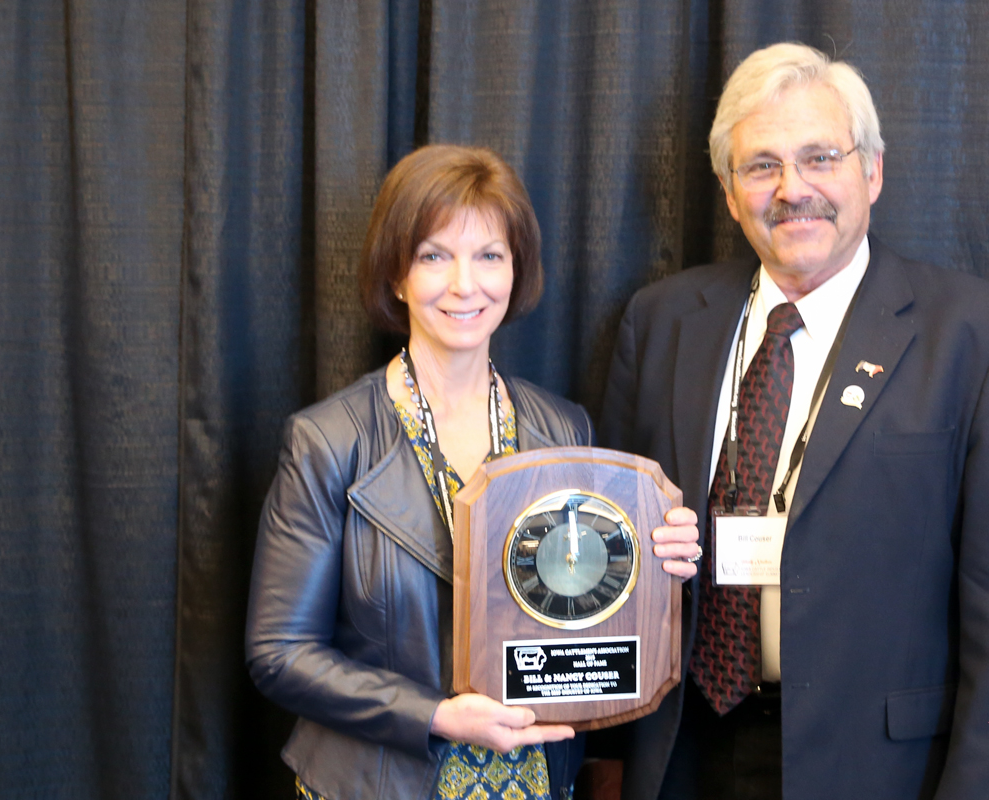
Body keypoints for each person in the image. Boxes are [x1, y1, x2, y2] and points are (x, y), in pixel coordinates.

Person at [595, 43, 989, 800]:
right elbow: (608, 549)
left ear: (872, 172)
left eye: (821, 157)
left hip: (877, 769)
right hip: (682, 753)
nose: (794, 189)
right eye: (762, 166)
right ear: (727, 191)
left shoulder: (981, 338)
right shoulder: (661, 323)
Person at [245, 144, 701, 800]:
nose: (466, 284)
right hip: (378, 784)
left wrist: (658, 563)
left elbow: (589, 608)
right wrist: (433, 716)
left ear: (516, 271)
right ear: (396, 275)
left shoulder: (564, 428)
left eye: (490, 255)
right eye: (435, 255)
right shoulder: (328, 440)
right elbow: (279, 654)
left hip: (537, 783)